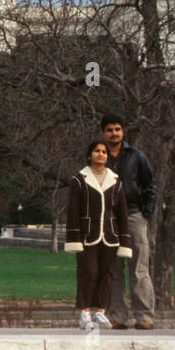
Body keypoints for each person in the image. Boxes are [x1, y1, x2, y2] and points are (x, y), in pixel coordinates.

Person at [64, 140, 133, 329]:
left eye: (104, 151)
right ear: (89, 155)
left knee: (106, 273)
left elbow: (121, 213)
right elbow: (73, 211)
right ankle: (85, 312)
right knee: (89, 272)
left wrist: (124, 240)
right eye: (96, 151)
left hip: (109, 235)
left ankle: (101, 311)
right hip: (87, 235)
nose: (101, 154)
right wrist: (74, 238)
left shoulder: (115, 181)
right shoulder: (79, 180)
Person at [100, 113, 156, 329]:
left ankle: (144, 315)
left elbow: (150, 184)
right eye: (109, 130)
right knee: (112, 270)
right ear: (103, 132)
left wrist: (146, 212)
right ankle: (118, 315)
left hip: (133, 215)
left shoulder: (136, 156)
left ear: (122, 131)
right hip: (108, 217)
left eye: (117, 129)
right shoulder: (98, 154)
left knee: (139, 268)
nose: (114, 133)